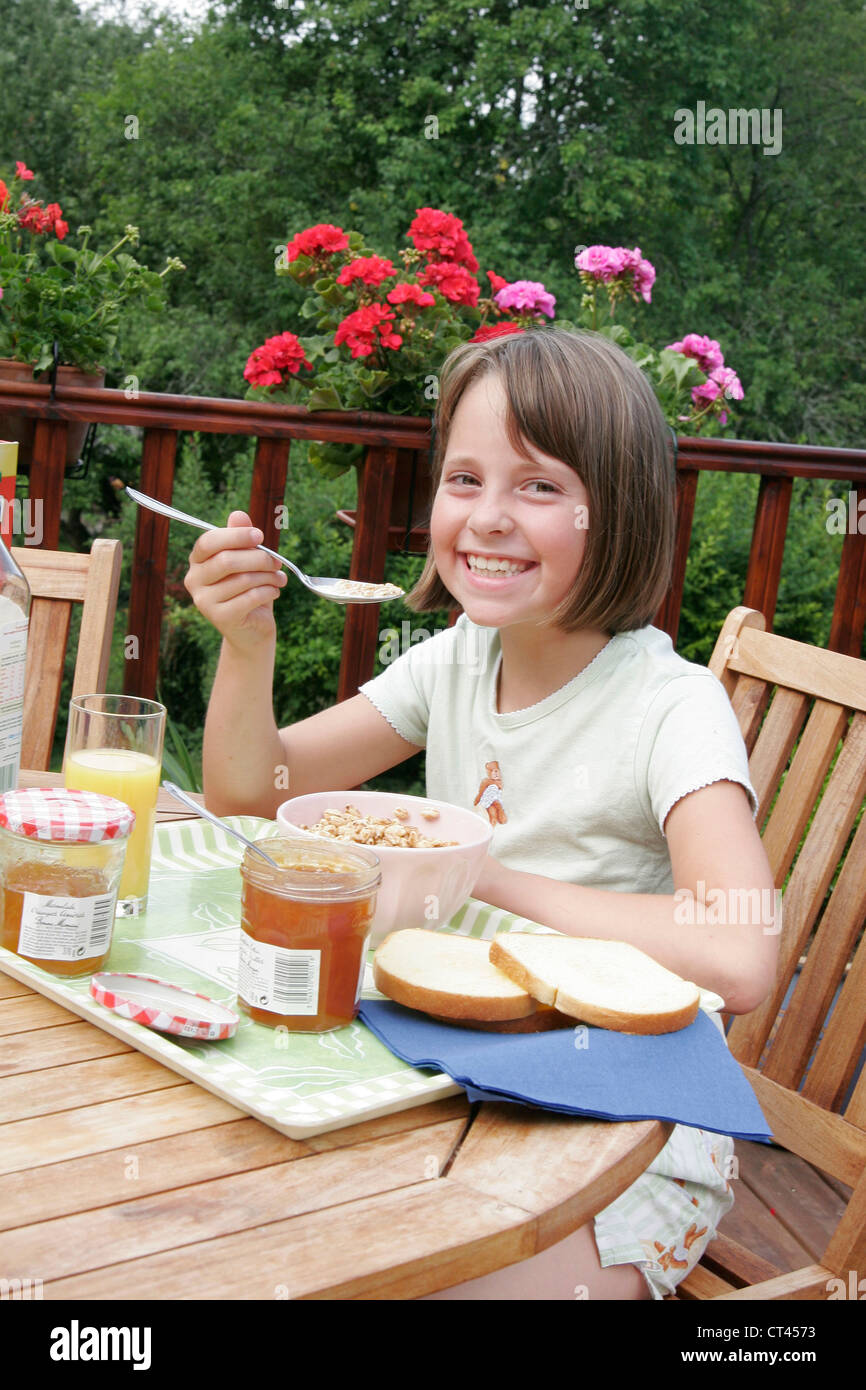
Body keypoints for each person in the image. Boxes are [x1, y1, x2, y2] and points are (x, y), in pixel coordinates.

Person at [185, 328, 778, 1300]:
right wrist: (246, 647)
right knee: (250, 1234)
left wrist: (481, 873)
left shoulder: (667, 705)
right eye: (464, 478)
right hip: (465, 1082)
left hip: (631, 1143)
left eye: (538, 487)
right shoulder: (459, 658)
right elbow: (256, 795)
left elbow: (741, 950)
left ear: (614, 508)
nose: (487, 517)